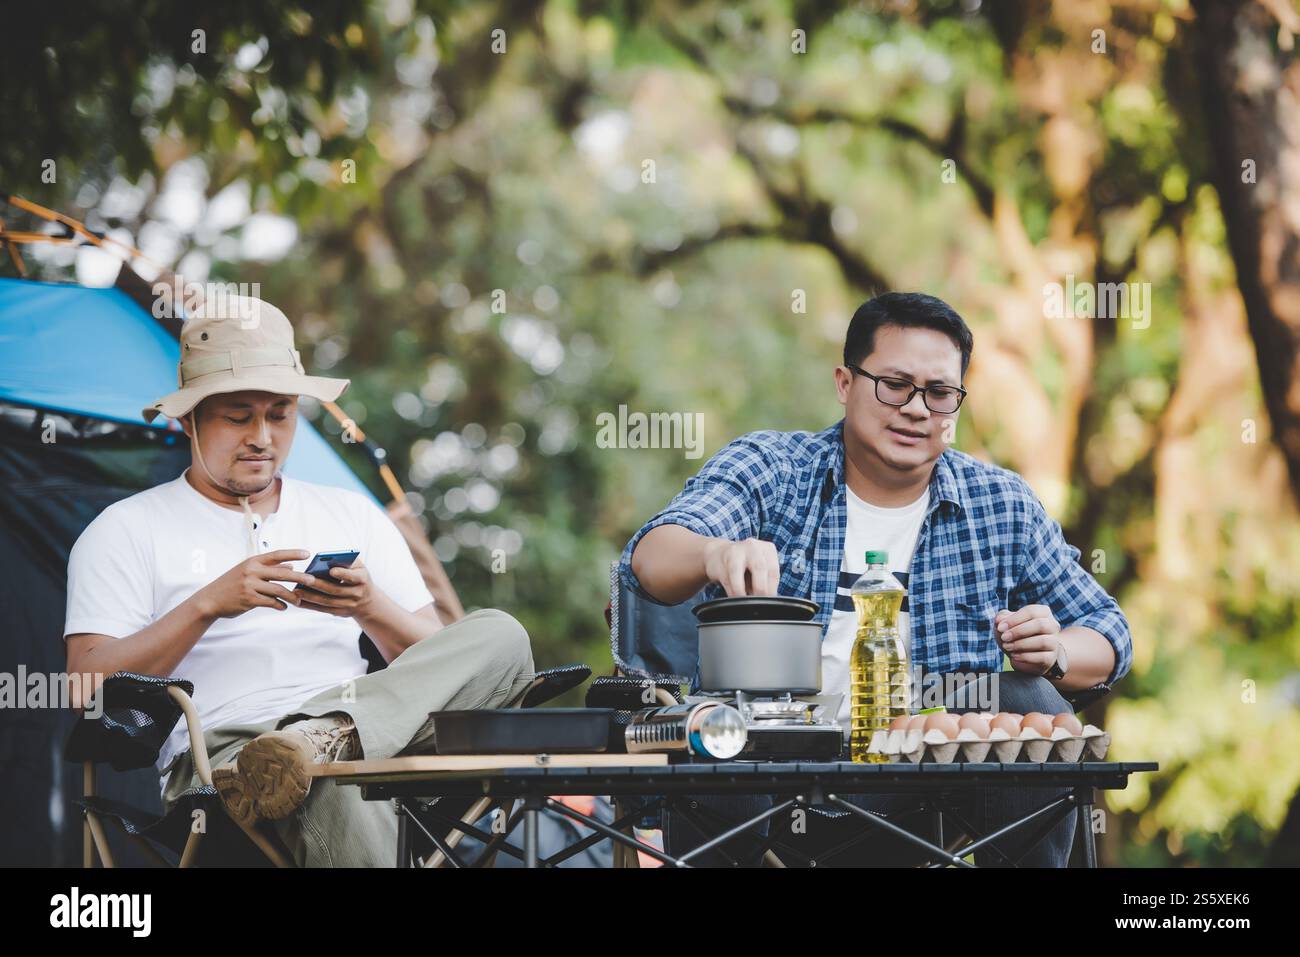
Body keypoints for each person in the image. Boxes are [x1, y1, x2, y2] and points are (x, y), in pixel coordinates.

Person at [621, 292, 1134, 866]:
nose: (917, 409)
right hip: (767, 760)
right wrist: (715, 552)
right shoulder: (772, 469)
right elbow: (652, 556)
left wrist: (1057, 649)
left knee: (1030, 699)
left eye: (940, 393)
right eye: (894, 384)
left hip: (924, 781)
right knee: (719, 725)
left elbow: (1109, 631)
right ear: (845, 382)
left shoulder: (1001, 504)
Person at [64, 294, 535, 866]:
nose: (262, 436)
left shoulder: (352, 513)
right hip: (229, 757)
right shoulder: (126, 528)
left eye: (281, 414)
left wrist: (371, 608)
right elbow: (85, 689)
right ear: (188, 419)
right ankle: (311, 750)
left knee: (502, 635)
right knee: (324, 783)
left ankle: (326, 734)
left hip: (372, 737)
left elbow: (442, 660)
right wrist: (206, 605)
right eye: (239, 416)